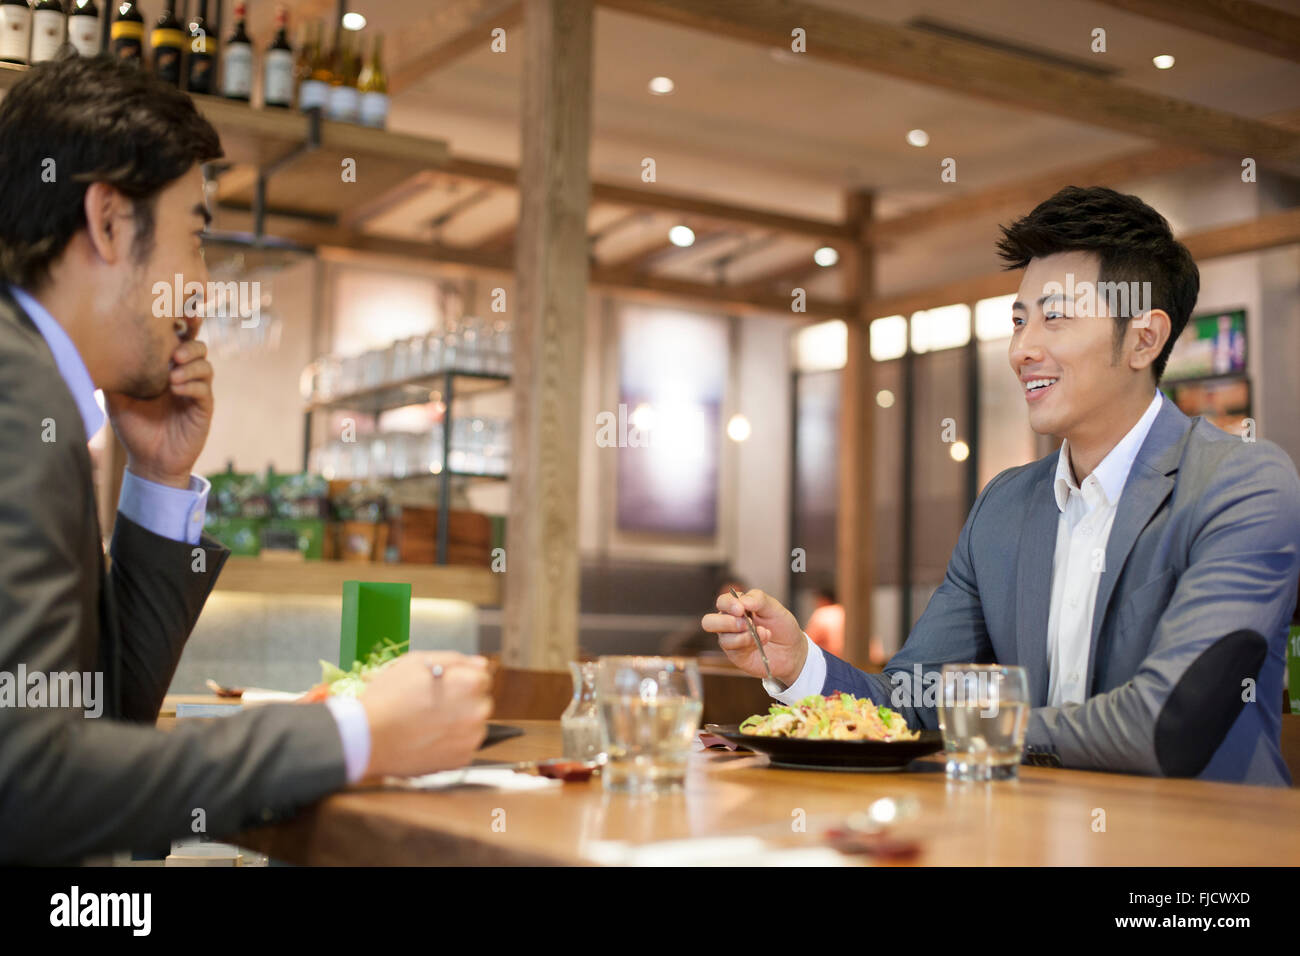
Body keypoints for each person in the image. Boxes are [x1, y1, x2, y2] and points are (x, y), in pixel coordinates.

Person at [0, 55, 491, 864]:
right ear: (110, 221)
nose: (200, 288)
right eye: (196, 236)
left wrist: (157, 477)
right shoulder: (17, 399)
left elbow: (98, 724)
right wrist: (352, 734)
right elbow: (30, 784)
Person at [703, 186, 1300, 786]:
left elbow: (1165, 725)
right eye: (1019, 320)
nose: (1021, 350)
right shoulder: (1004, 504)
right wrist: (800, 663)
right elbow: (912, 702)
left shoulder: (1241, 484)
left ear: (1144, 338)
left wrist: (978, 728)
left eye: (1056, 317)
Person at [803, 588, 845, 659]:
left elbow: (806, 643)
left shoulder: (822, 614)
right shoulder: (843, 612)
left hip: (833, 662)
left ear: (824, 600)